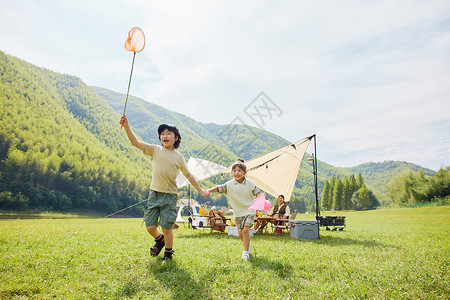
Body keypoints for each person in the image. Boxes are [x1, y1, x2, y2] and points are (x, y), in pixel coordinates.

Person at [120, 115, 208, 260]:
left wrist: (200, 189)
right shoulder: (155, 150)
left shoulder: (178, 157)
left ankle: (168, 252)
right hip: (154, 194)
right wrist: (127, 126)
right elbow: (134, 142)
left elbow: (189, 175)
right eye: (162, 133)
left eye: (169, 133)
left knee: (167, 227)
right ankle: (159, 240)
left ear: (176, 138)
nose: (165, 136)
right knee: (150, 227)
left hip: (170, 195)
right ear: (159, 137)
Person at [204, 159, 260, 260]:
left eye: (239, 170)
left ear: (245, 172)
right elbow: (219, 188)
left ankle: (245, 253)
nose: (236, 173)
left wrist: (260, 201)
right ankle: (247, 246)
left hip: (249, 210)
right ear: (231, 173)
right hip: (238, 212)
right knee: (240, 232)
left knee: (245, 229)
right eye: (234, 170)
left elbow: (257, 192)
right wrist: (208, 190)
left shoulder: (250, 184)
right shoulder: (229, 185)